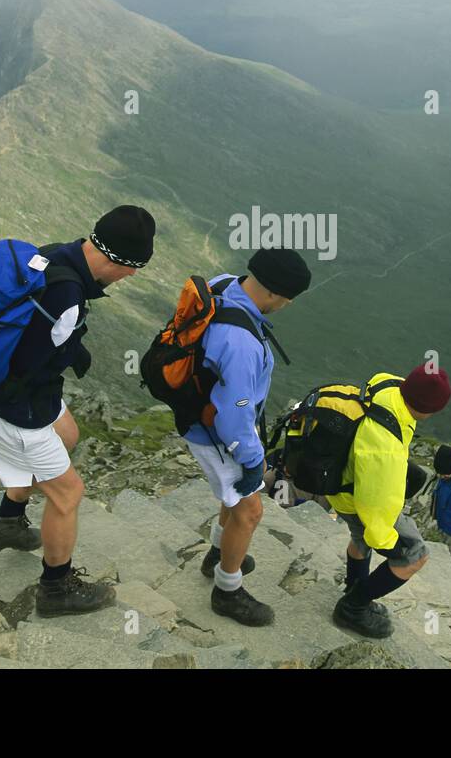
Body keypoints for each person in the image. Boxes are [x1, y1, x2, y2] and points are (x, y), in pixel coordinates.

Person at [0, 205, 156, 616]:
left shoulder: (55, 254)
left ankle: (7, 520)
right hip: (10, 409)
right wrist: (68, 348)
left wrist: (69, 347)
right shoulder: (67, 295)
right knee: (69, 493)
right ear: (116, 260)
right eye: (132, 267)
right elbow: (33, 362)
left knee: (68, 435)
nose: (132, 276)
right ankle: (56, 588)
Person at [182, 248, 311, 626]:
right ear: (275, 295)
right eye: (288, 299)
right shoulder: (240, 345)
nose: (287, 305)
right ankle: (227, 590)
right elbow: (234, 420)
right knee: (250, 510)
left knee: (234, 498)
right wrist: (254, 461)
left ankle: (217, 554)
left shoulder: (224, 284)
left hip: (203, 414)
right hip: (215, 433)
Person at [327, 363, 451, 638]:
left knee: (359, 536)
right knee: (415, 556)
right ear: (430, 410)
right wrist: (390, 544)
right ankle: (353, 607)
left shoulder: (388, 386)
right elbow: (374, 506)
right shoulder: (386, 451)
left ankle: (354, 587)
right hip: (355, 497)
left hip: (341, 485)